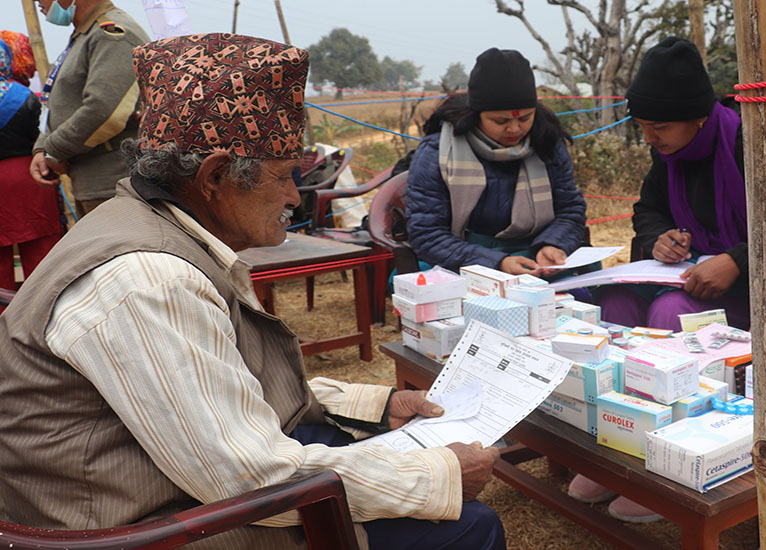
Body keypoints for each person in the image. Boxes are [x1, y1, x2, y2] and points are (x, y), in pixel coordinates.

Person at [0, 33, 505, 550]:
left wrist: (377, 405)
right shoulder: (150, 280)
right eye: (283, 176)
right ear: (215, 176)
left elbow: (218, 385)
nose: (293, 197)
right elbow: (248, 479)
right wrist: (437, 477)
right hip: (129, 527)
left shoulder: (158, 227)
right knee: (468, 527)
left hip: (161, 477)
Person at [593, 36, 766, 332]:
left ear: (699, 118)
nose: (648, 138)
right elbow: (649, 209)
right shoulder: (668, 155)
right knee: (615, 300)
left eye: (659, 127)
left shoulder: (756, 145)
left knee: (672, 311)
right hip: (690, 273)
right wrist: (661, 238)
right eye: (641, 126)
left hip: (765, 283)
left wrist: (737, 261)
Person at [405, 47, 588, 275]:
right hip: (461, 262)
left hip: (536, 256)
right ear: (476, 115)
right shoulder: (437, 152)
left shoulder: (547, 143)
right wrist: (497, 263)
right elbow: (427, 234)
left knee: (579, 295)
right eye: (500, 121)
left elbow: (569, 210)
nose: (514, 128)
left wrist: (553, 244)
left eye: (525, 118)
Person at [28, 0, 148, 217]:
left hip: (115, 184)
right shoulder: (86, 34)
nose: (37, 1)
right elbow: (60, 103)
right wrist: (42, 147)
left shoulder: (111, 34)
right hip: (95, 184)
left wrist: (52, 150)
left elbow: (105, 111)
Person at [0, 32, 62, 293]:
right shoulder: (27, 96)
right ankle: (45, 311)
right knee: (42, 259)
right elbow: (45, 134)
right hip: (31, 179)